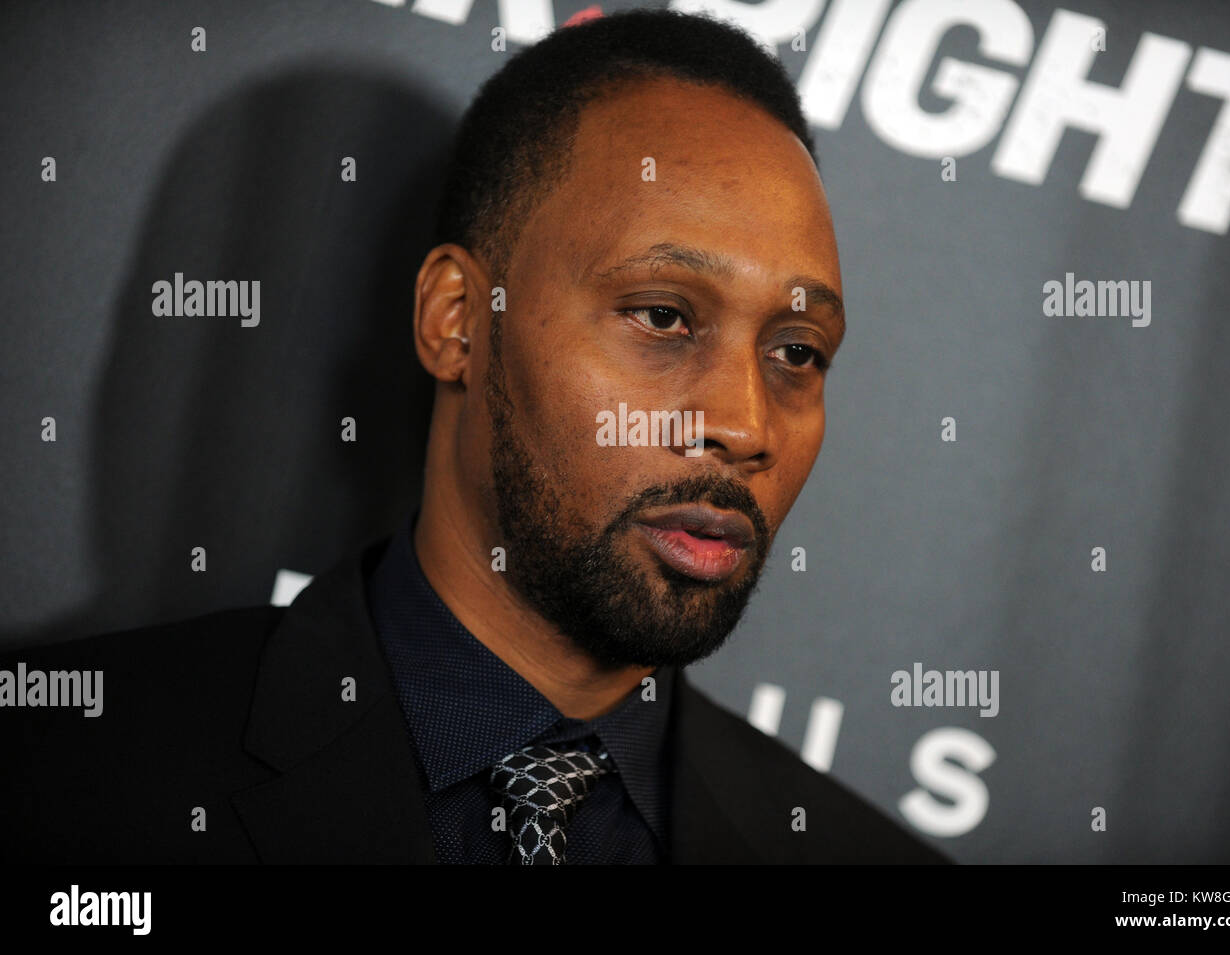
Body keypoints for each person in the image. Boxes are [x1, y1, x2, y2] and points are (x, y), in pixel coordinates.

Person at [0, 8, 949, 865]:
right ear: (458, 319)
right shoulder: (63, 772)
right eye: (662, 316)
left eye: (796, 350)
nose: (743, 424)